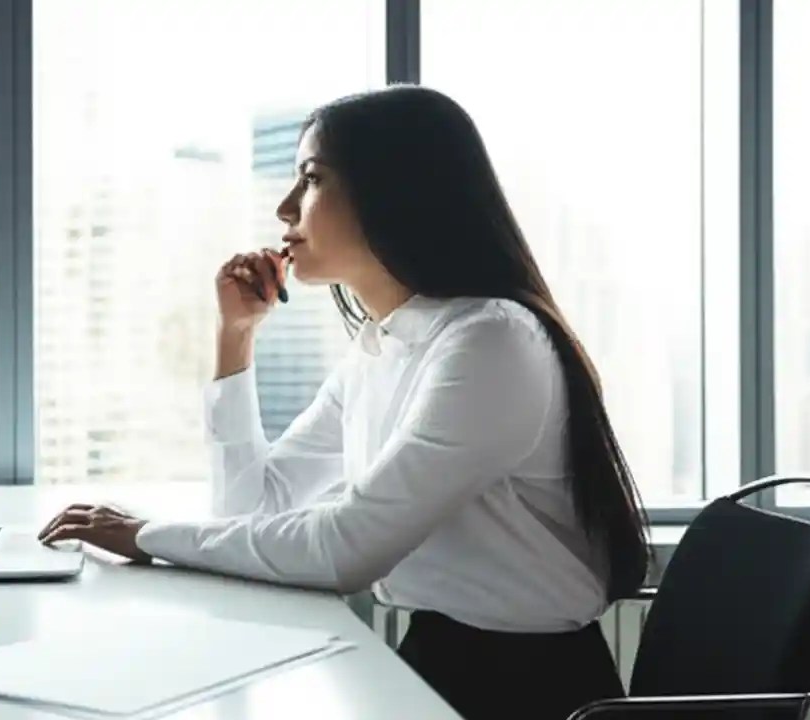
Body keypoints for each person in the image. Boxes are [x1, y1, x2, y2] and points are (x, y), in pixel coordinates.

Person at [38, 85, 649, 719]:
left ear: (393, 190)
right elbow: (250, 508)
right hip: (439, 656)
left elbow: (347, 549)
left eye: (310, 180)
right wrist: (235, 338)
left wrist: (146, 535)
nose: (284, 207)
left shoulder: (490, 341)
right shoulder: (382, 346)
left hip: (529, 692)